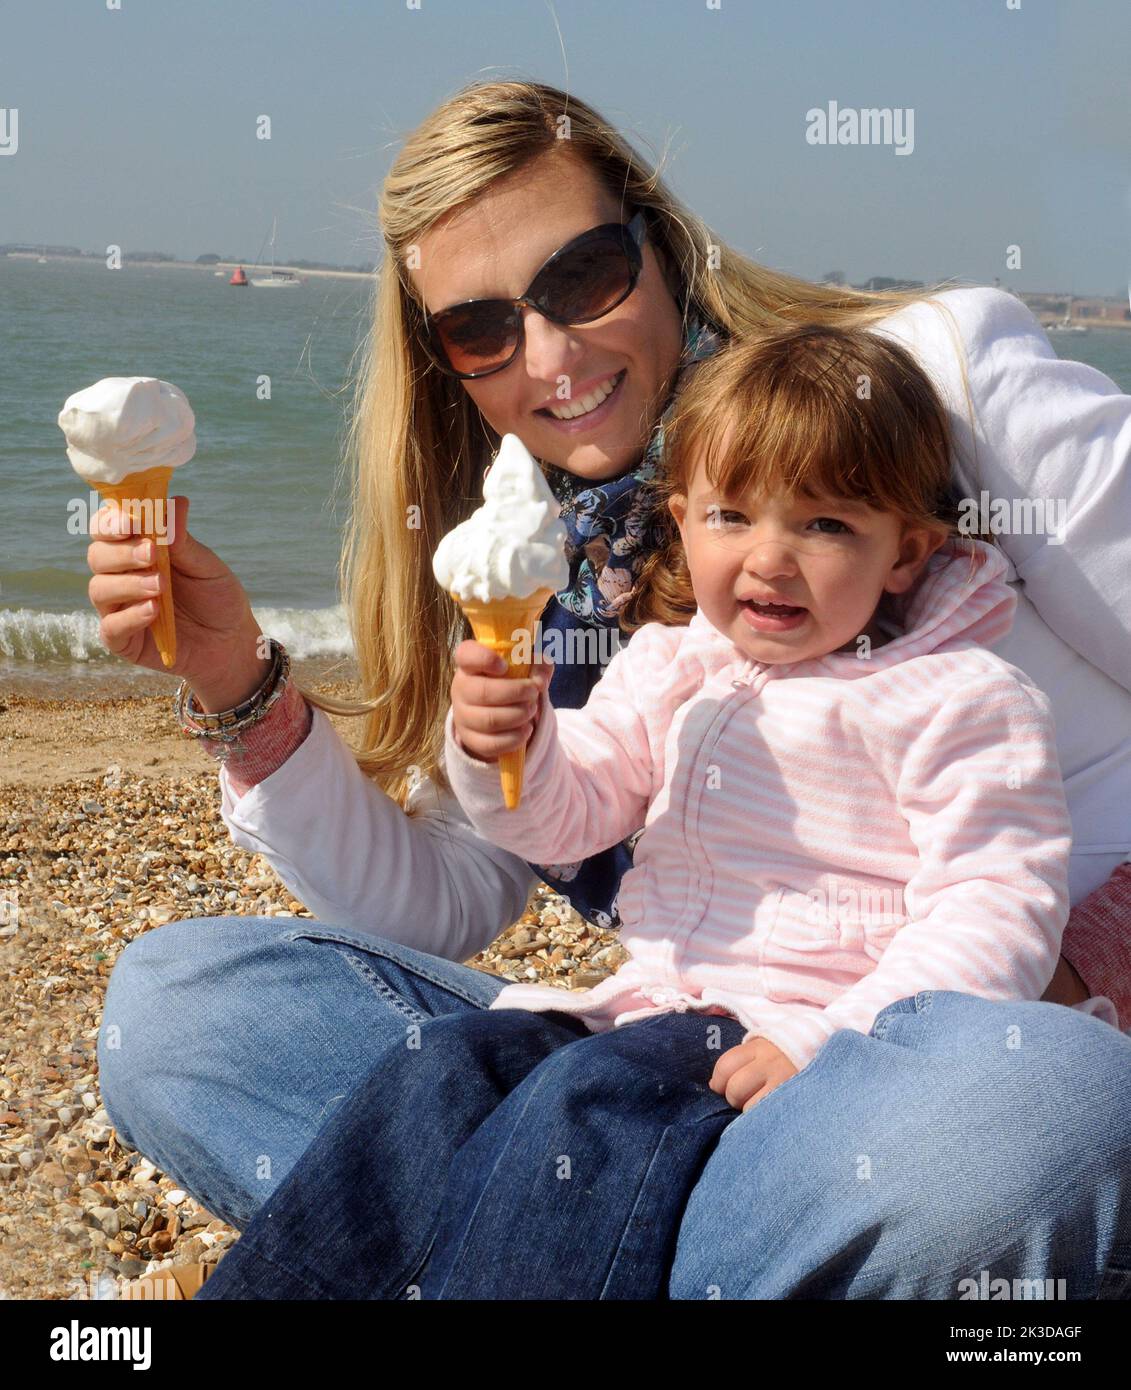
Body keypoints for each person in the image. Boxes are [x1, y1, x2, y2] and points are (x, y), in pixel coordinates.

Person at [91, 79, 1131, 1300]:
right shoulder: (530, 568)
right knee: (180, 1011)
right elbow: (447, 893)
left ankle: (520, 1247)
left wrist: (1092, 954)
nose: (551, 357)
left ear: (661, 241)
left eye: (581, 276)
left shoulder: (929, 389)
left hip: (927, 1052)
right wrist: (237, 682)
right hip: (658, 1054)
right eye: (480, 329)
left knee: (1049, 1102)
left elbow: (1000, 919)